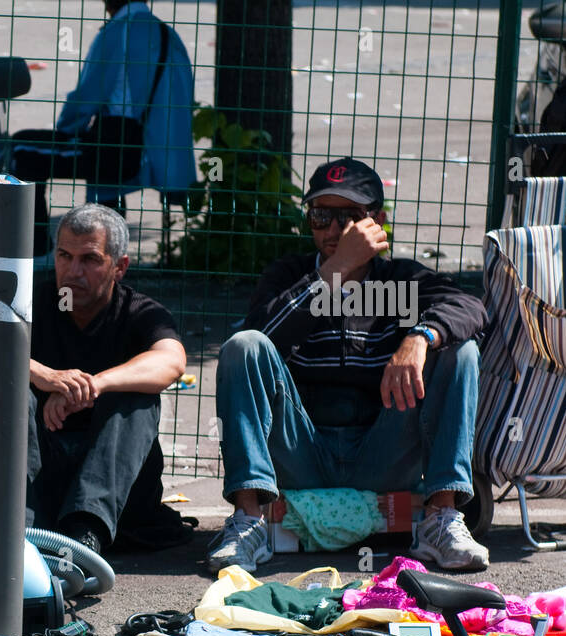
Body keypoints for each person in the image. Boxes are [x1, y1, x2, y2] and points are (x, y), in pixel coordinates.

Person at [207, 157, 491, 573]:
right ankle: (248, 522)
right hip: (303, 452)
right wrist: (333, 273)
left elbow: (471, 308)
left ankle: (441, 519)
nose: (334, 229)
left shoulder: (399, 280)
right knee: (243, 346)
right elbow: (264, 334)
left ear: (377, 221)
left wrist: (419, 336)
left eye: (350, 217)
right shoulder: (289, 274)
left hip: (382, 452)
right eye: (322, 216)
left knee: (459, 350)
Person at [0, 203, 188, 555]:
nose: (73, 271)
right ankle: (22, 530)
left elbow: (172, 361)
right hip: (36, 483)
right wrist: (45, 376)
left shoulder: (140, 311)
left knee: (137, 396)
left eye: (90, 259)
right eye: (64, 255)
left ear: (119, 267)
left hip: (113, 490)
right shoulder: (34, 301)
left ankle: (84, 534)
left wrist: (93, 385)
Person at [7, 0, 196, 255]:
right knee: (105, 182)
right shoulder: (167, 35)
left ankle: (36, 253)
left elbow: (86, 97)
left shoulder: (117, 33)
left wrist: (65, 131)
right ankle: (107, 256)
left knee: (23, 150)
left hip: (118, 148)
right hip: (157, 155)